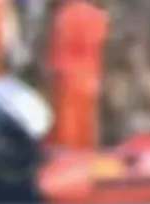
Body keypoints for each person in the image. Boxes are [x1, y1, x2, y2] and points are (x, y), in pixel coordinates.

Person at [46, 0, 108, 149]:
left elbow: (60, 46)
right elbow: (99, 46)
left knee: (69, 122)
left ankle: (71, 156)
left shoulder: (64, 15)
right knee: (88, 121)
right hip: (90, 75)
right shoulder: (98, 16)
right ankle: (87, 156)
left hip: (69, 75)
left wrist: (53, 68)